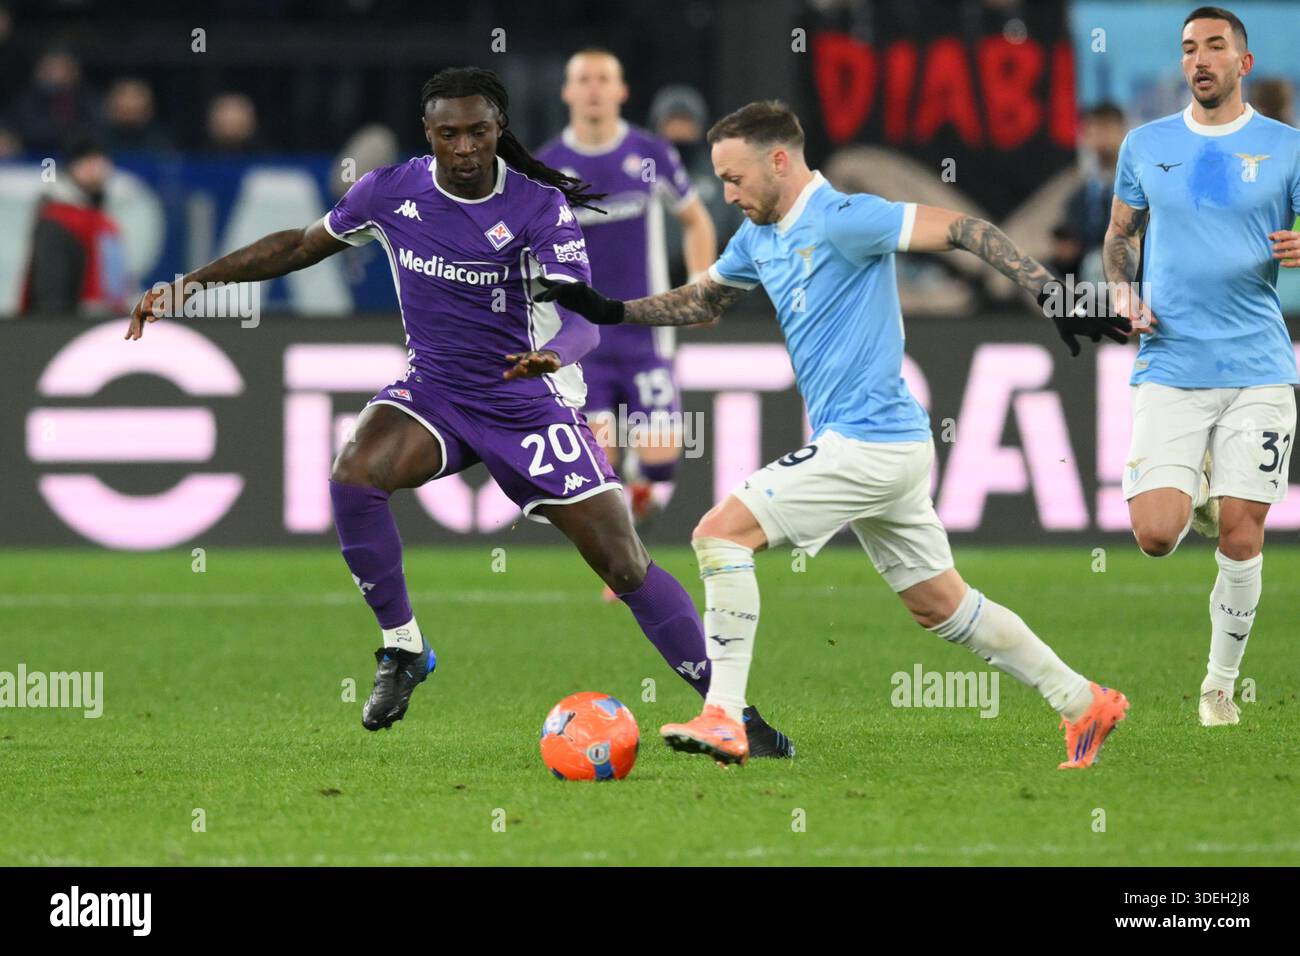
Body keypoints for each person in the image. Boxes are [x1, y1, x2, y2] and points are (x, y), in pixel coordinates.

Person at [124, 67, 793, 755]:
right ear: (429, 134)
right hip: (437, 393)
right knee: (355, 472)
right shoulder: (389, 192)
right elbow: (298, 245)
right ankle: (403, 648)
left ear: (500, 129)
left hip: (528, 404)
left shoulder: (537, 207)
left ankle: (732, 712)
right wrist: (189, 285)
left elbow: (582, 321)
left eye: (478, 131)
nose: (465, 147)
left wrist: (554, 355)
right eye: (450, 134)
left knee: (624, 565)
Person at [539, 100, 1131, 769]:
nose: (727, 195)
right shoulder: (758, 237)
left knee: (719, 534)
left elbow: (966, 228)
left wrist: (1053, 296)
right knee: (941, 605)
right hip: (887, 447)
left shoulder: (847, 218)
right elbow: (703, 300)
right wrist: (609, 309)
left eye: (734, 178)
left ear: (779, 161)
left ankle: (724, 716)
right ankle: (1082, 700)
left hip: (870, 441)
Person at [1102, 6, 1299, 727]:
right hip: (1172, 360)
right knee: (1156, 535)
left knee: (1243, 531)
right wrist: (1122, 290)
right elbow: (1119, 235)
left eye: (1215, 47)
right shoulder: (1146, 144)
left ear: (1243, 63)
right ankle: (1205, 496)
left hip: (1259, 365)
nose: (1200, 59)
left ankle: (1219, 687)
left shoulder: (1286, 148)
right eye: (1189, 49)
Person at [536, 50, 717, 529]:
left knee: (661, 463)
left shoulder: (651, 154)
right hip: (582, 339)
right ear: (568, 92)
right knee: (599, 464)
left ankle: (636, 496)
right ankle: (621, 553)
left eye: (604, 79)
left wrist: (701, 281)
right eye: (584, 79)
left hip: (645, 333)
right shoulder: (547, 167)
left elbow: (696, 219)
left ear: (621, 91)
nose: (594, 89)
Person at [21, 137, 129, 317]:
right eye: (89, 161)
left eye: (101, 161)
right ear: (72, 167)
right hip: (71, 326)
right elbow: (50, 294)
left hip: (103, 325)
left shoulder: (103, 221)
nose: (98, 169)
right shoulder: (57, 221)